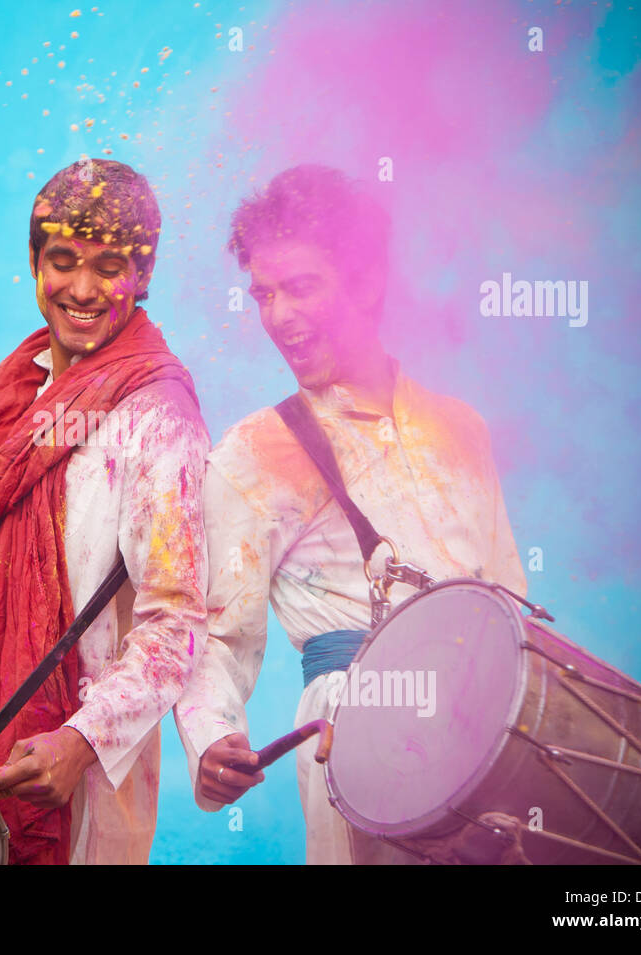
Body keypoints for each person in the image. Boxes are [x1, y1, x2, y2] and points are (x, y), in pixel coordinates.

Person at [172, 164, 530, 864]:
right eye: (263, 294)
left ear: (367, 282)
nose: (277, 316)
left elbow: (520, 617)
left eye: (301, 287)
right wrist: (212, 735)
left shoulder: (462, 430)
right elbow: (212, 632)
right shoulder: (251, 453)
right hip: (354, 744)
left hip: (486, 729)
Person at [0, 158, 209, 865]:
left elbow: (179, 626)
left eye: (110, 266)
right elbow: (11, 579)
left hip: (63, 788)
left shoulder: (157, 418)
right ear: (33, 261)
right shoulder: (18, 390)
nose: (82, 289)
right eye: (64, 261)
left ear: (143, 276)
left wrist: (81, 742)